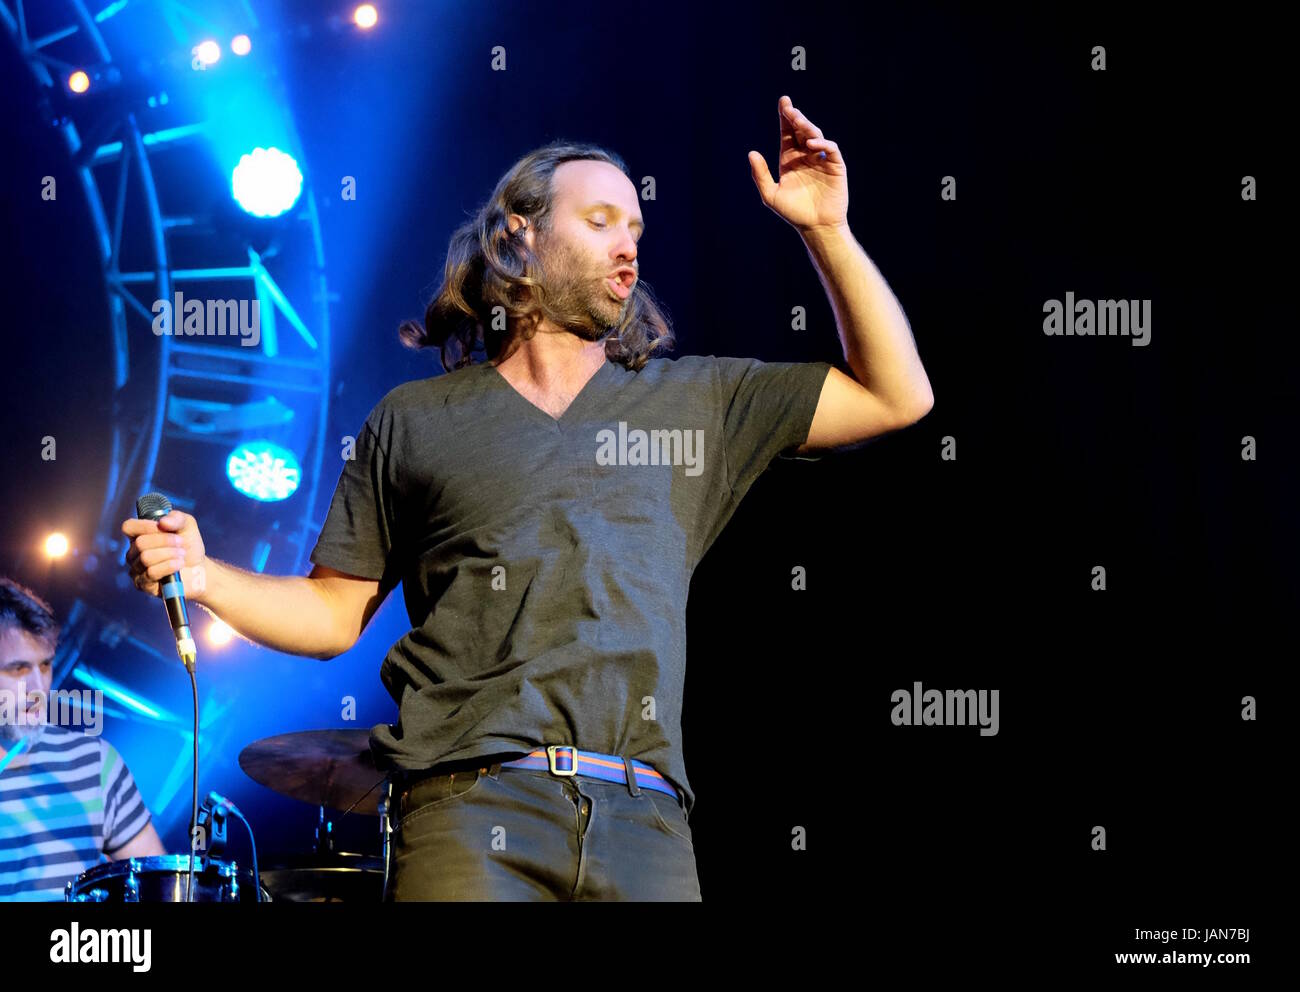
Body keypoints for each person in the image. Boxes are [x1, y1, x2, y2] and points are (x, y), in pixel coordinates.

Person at [121, 96, 933, 900]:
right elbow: (334, 615)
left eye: (637, 232)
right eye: (603, 221)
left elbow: (898, 397)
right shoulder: (416, 420)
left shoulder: (700, 400)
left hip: (645, 819)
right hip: (470, 812)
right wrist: (205, 573)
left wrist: (825, 230)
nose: (629, 249)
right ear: (520, 235)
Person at [0, 578, 166, 902]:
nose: (38, 687)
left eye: (45, 665)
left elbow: (158, 888)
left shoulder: (95, 762)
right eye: (18, 669)